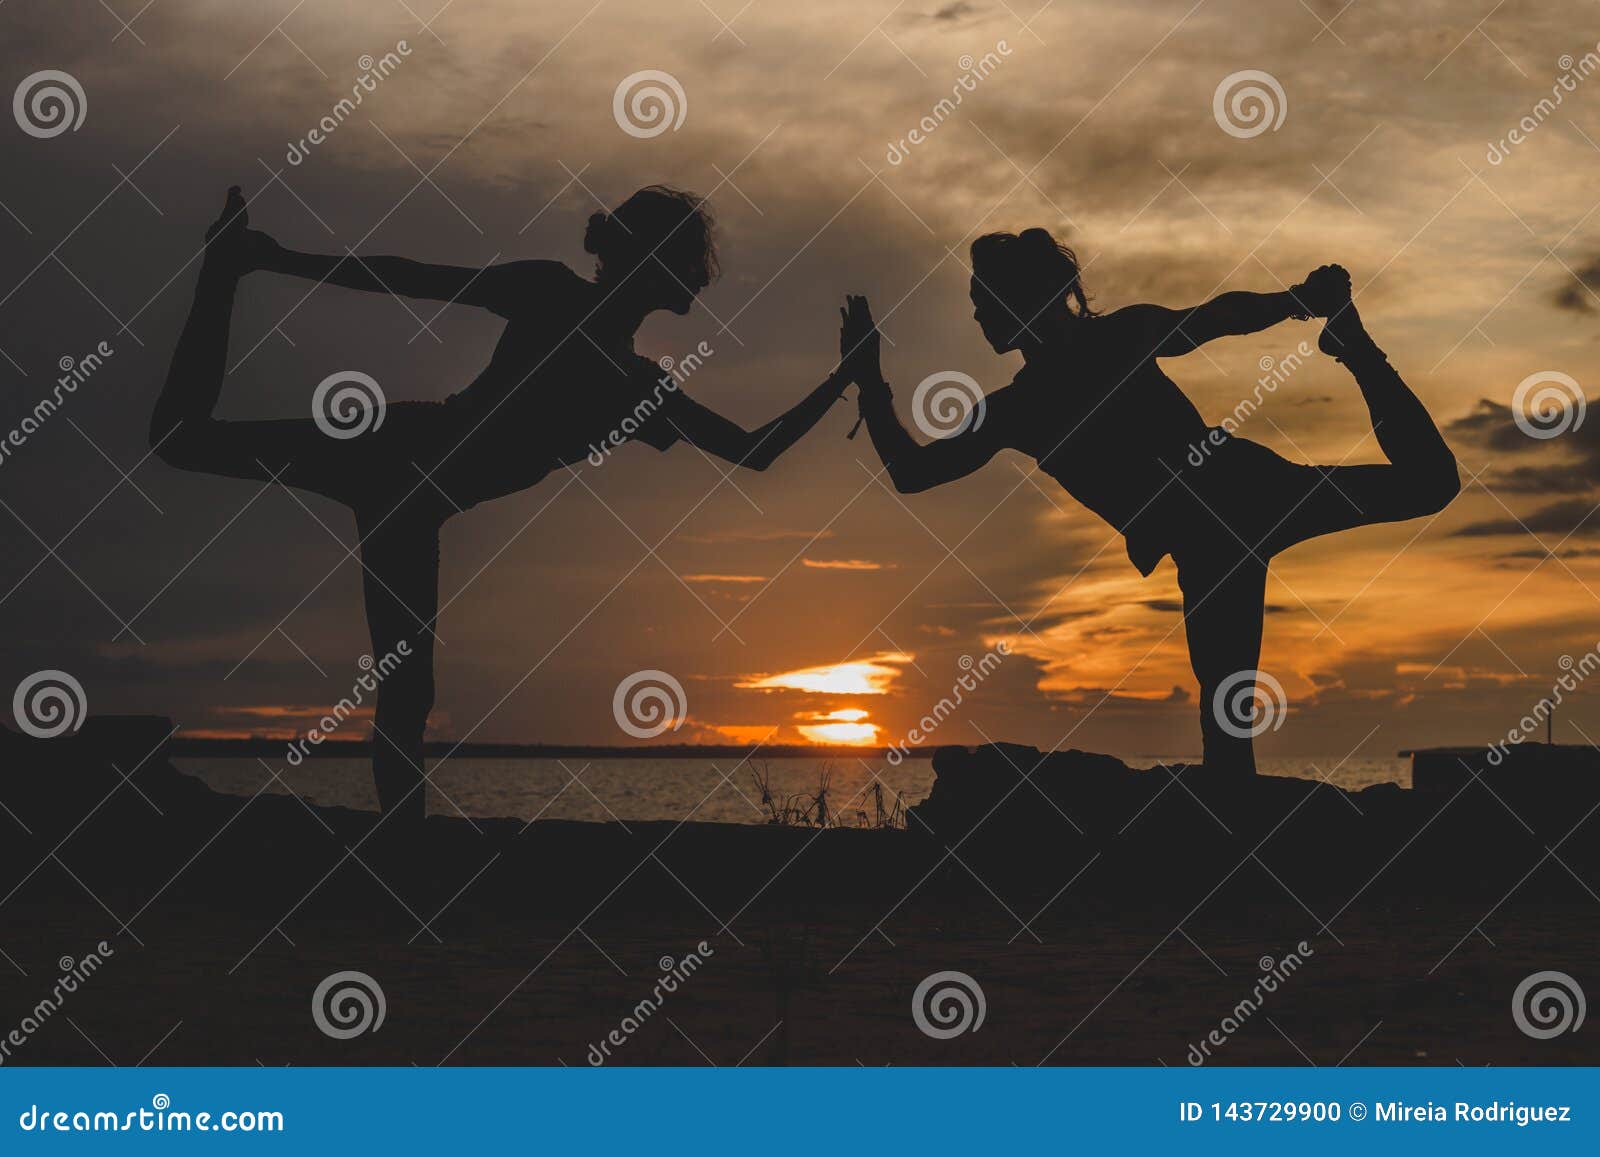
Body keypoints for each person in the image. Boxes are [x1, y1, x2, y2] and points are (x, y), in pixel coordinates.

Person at [152, 185, 853, 824]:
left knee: (408, 688)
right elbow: (413, 278)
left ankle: (403, 855)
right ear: (652, 260)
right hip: (397, 451)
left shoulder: (639, 387)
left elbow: (753, 449)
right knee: (183, 440)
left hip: (416, 501)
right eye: (686, 257)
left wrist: (843, 379)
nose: (696, 274)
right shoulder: (552, 295)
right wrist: (279, 259)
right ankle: (226, 268)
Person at [840, 230, 1460, 772]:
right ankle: (1235, 853)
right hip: (1207, 538)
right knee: (1225, 712)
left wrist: (1297, 300)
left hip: (1247, 495)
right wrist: (868, 379)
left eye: (984, 301)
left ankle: (1355, 349)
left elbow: (1213, 318)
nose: (977, 316)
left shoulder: (1116, 338)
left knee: (1432, 483)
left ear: (1029, 296)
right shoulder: (1016, 409)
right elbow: (914, 473)